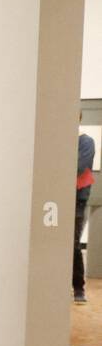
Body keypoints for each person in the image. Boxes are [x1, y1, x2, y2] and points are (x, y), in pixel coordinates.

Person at [75, 126, 94, 304]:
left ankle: (79, 288)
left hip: (78, 199)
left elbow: (79, 167)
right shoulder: (60, 140)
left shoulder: (86, 142)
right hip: (58, 198)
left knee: (73, 244)